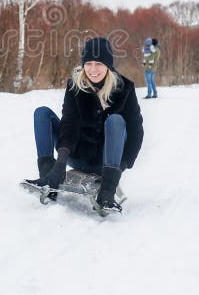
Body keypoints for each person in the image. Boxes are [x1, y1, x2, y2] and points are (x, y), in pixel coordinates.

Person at [25, 37, 144, 212]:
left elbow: (136, 132)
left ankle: (107, 192)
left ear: (108, 65)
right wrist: (60, 164)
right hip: (78, 154)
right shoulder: (75, 85)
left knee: (116, 120)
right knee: (42, 113)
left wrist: (120, 167)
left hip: (107, 161)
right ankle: (48, 179)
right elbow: (69, 123)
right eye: (88, 63)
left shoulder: (124, 88)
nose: (93, 69)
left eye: (99, 64)